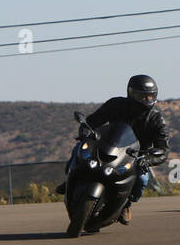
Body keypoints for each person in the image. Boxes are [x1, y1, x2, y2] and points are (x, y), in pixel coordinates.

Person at [58, 74, 170, 224]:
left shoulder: (156, 118)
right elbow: (94, 120)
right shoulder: (116, 104)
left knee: (142, 179)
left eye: (150, 96)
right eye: (142, 96)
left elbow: (163, 148)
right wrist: (86, 130)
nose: (147, 100)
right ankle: (71, 179)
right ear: (131, 94)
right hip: (106, 146)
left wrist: (148, 159)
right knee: (79, 148)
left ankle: (126, 204)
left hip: (134, 156)